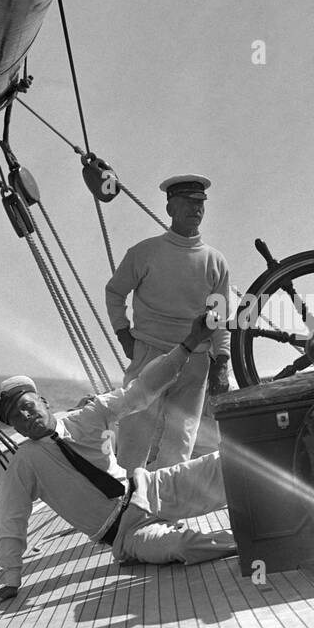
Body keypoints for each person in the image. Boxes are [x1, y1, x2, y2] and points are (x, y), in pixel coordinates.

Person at [0, 313, 236, 604]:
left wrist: (189, 344)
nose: (25, 417)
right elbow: (11, 514)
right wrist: (11, 578)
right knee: (182, 547)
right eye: (16, 418)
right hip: (127, 533)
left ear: (44, 402)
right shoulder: (25, 462)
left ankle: (291, 489)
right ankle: (244, 540)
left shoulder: (87, 417)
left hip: (148, 489)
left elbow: (139, 392)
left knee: (225, 466)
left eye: (27, 406)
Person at [105, 175, 231, 472]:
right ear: (170, 208)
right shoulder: (144, 253)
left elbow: (220, 316)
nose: (195, 208)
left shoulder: (216, 261)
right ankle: (126, 502)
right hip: (150, 353)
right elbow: (114, 292)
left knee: (182, 439)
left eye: (200, 203)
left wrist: (222, 360)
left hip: (196, 361)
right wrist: (123, 332)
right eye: (187, 202)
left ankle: (170, 511)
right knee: (135, 433)